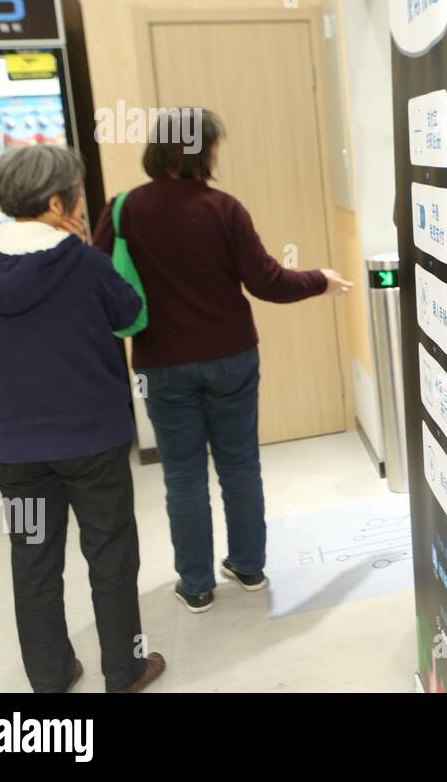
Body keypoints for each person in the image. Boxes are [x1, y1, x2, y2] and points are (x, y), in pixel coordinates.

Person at [93, 107, 352, 613]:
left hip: (159, 363)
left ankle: (195, 583)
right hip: (232, 358)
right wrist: (319, 279)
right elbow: (267, 283)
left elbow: (97, 280)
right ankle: (249, 567)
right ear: (201, 150)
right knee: (240, 465)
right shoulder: (223, 208)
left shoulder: (123, 209)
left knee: (183, 474)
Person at [0, 144, 165, 693]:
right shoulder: (82, 261)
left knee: (34, 558)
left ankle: (49, 675)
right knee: (110, 552)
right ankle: (125, 669)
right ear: (57, 200)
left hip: (14, 447)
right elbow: (133, 315)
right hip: (93, 440)